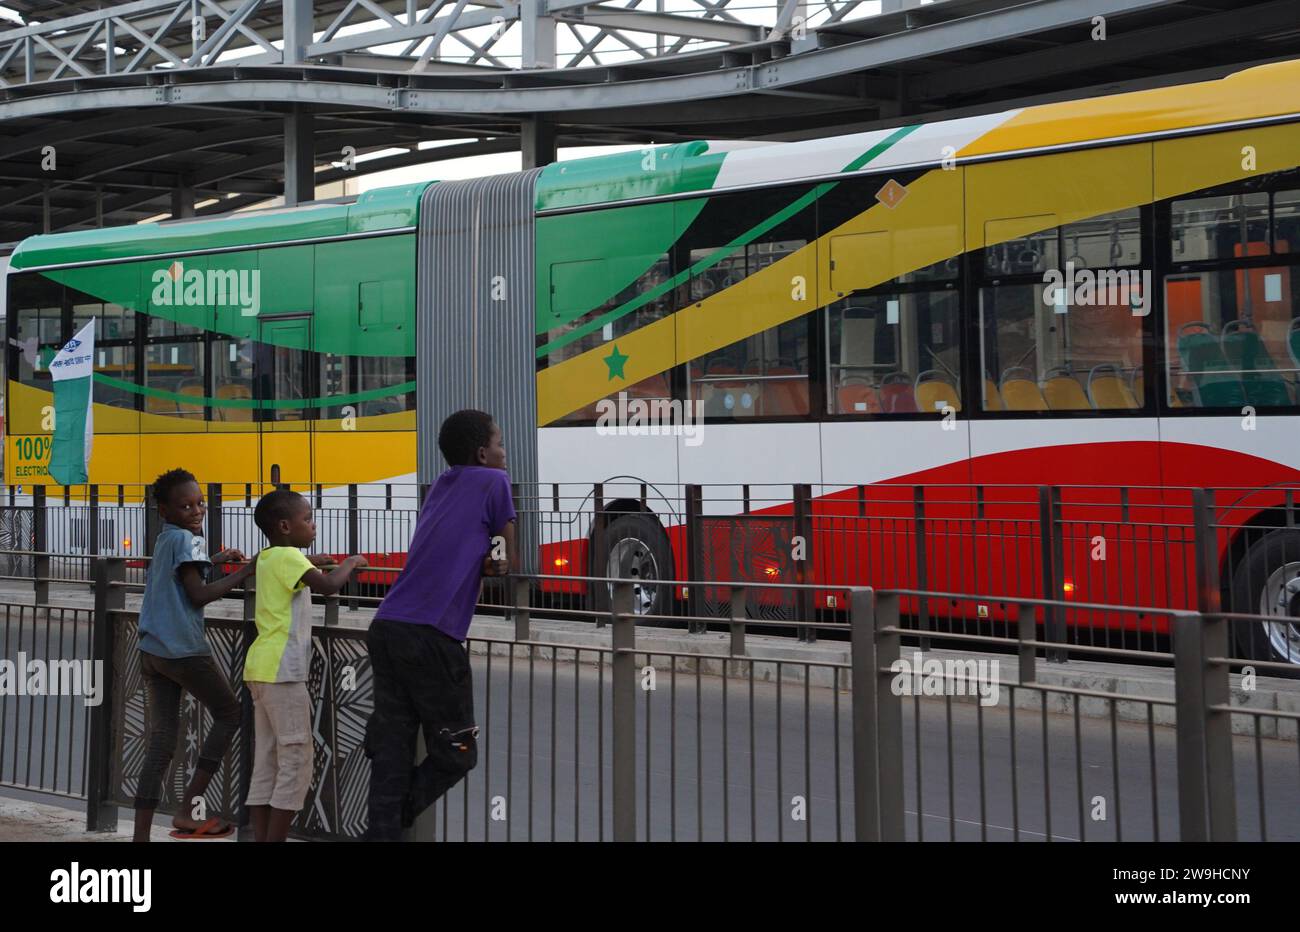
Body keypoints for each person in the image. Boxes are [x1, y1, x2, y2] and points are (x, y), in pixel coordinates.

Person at [364, 409, 516, 841]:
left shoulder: (441, 486)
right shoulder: (495, 481)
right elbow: (506, 559)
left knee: (392, 750)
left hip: (389, 625)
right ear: (483, 452)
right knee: (457, 752)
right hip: (432, 635)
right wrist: (494, 563)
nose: (505, 453)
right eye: (500, 443)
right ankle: (395, 818)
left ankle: (381, 831)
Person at [133, 468, 255, 842]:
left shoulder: (167, 537)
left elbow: (180, 575)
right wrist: (248, 570)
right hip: (183, 649)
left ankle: (140, 837)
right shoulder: (188, 539)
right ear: (164, 509)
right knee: (230, 712)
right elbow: (198, 595)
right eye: (185, 506)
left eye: (200, 503)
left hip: (152, 649)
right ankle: (188, 808)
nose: (196, 510)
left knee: (161, 740)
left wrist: (215, 560)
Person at [243, 489, 367, 842]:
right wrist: (351, 563)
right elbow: (328, 586)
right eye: (308, 519)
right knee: (295, 758)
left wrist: (311, 560)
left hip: (260, 669)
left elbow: (298, 572)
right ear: (285, 526)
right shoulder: (290, 557)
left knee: (266, 758)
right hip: (283, 672)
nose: (313, 524)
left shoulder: (268, 556)